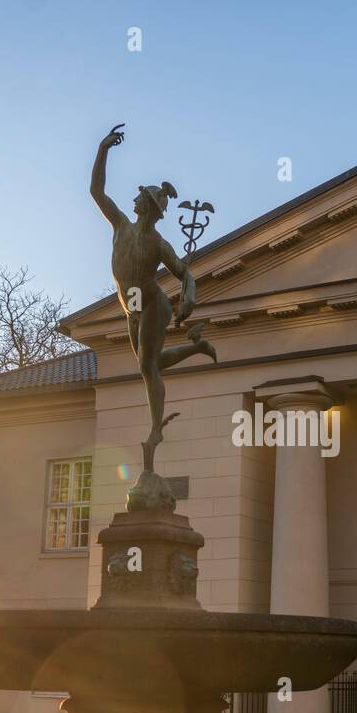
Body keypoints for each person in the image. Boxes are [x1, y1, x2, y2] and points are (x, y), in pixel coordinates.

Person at [90, 124, 216, 470]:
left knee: (148, 366)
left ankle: (155, 431)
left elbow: (184, 272)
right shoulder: (120, 226)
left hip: (153, 303)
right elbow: (96, 191)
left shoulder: (158, 244)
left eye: (139, 197)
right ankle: (196, 346)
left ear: (147, 206)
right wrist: (103, 150)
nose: (132, 200)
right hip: (130, 305)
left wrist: (188, 296)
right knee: (151, 365)